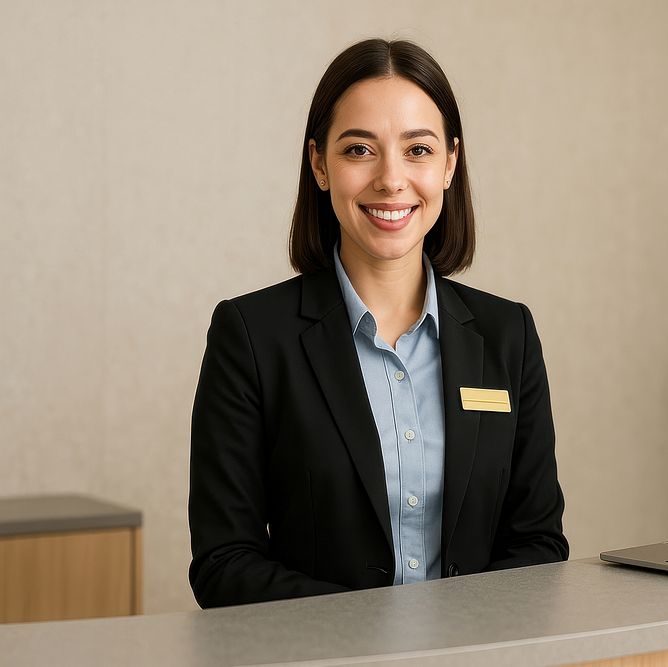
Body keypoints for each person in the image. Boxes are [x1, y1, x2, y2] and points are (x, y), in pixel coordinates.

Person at [188, 38, 569, 608]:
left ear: (449, 163)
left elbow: (538, 544)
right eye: (359, 150)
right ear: (319, 164)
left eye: (418, 150)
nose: (391, 179)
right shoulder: (249, 335)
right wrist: (374, 636)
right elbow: (224, 564)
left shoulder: (507, 334)